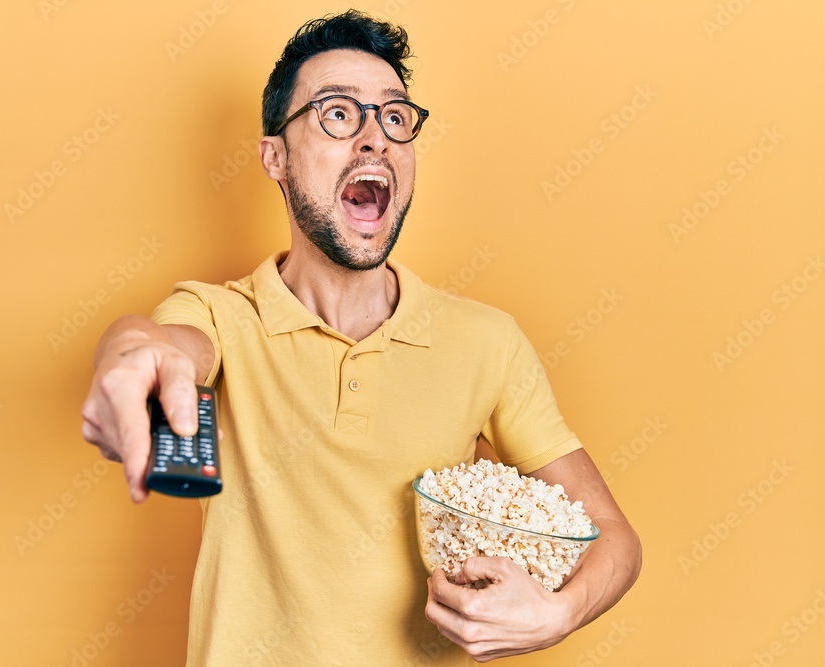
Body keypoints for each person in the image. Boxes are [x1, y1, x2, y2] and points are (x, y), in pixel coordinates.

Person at [81, 10, 641, 666]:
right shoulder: (223, 315)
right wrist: (132, 359)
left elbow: (615, 537)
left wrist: (559, 614)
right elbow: (160, 342)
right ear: (276, 156)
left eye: (395, 118)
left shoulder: (488, 341)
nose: (375, 137)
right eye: (338, 115)